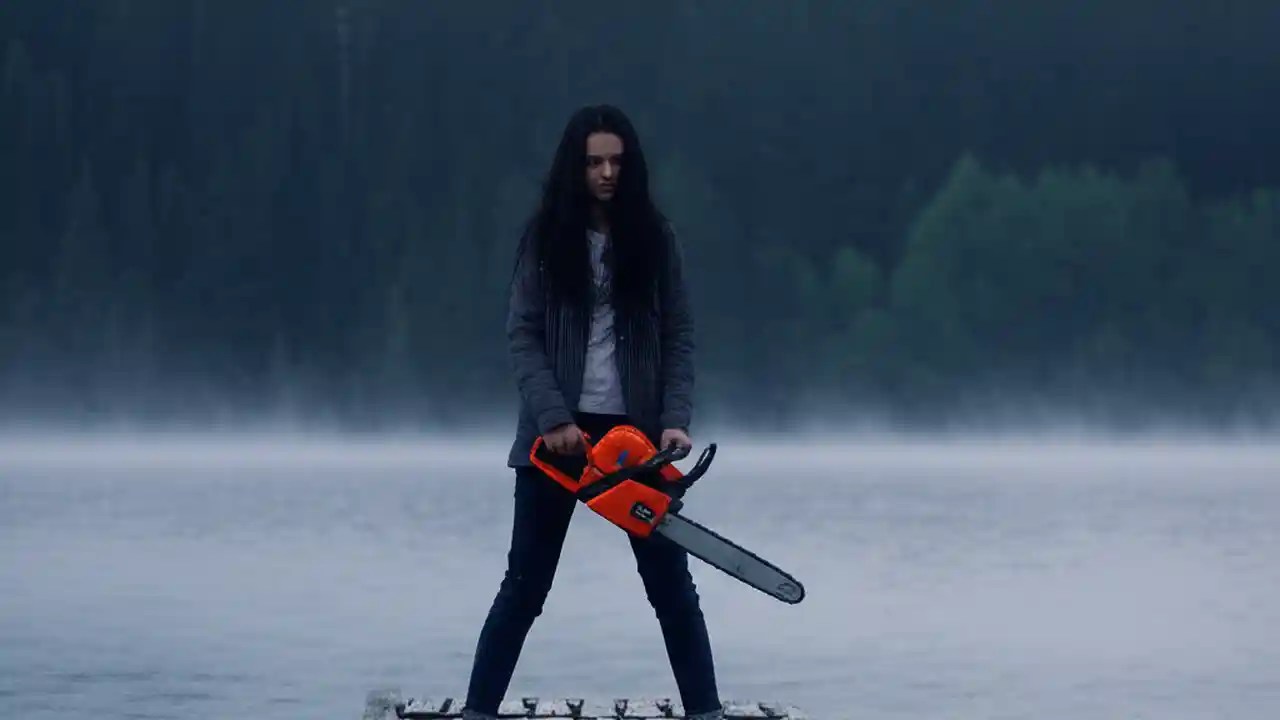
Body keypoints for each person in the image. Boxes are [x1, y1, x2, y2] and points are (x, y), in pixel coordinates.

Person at [462, 105, 722, 720]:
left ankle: (705, 711)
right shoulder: (545, 240)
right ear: (573, 169)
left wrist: (675, 418)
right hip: (557, 439)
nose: (606, 173)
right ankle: (477, 711)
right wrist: (553, 419)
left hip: (637, 442)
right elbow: (522, 335)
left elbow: (679, 335)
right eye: (593, 162)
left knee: (672, 591)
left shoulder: (656, 240)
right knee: (524, 587)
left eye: (616, 162)